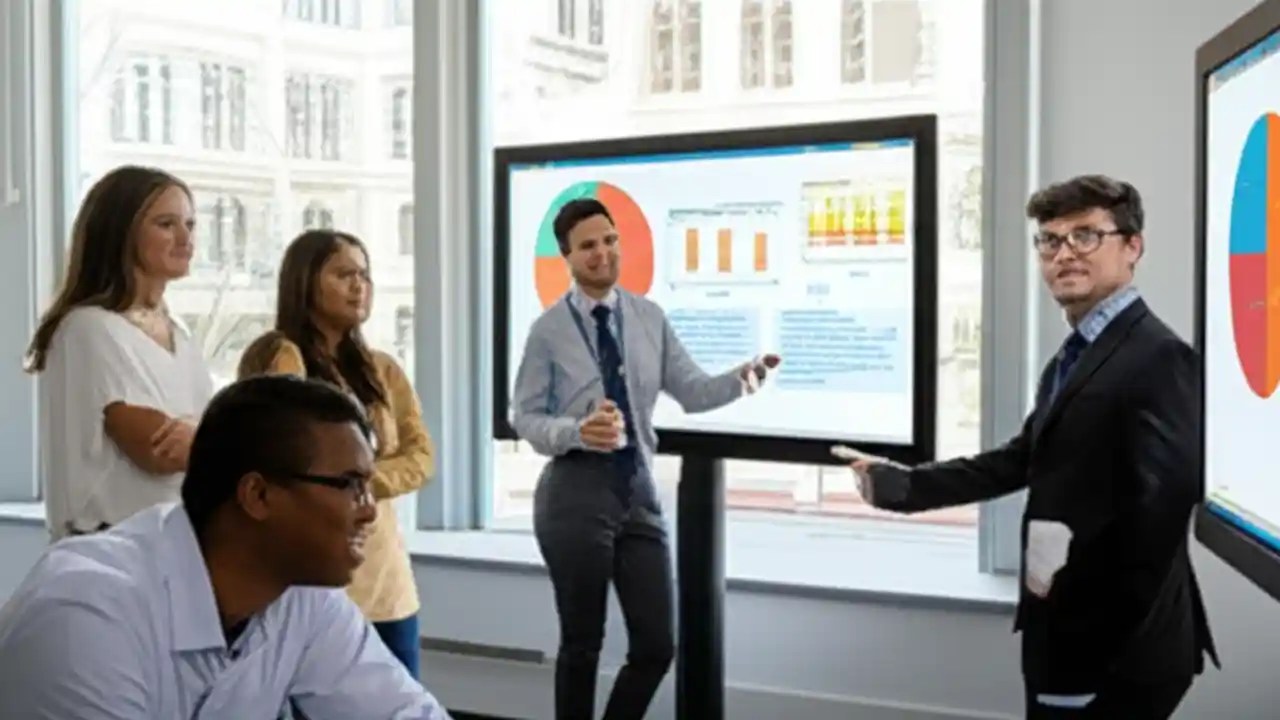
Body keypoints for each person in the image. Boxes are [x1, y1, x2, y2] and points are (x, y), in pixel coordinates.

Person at [845, 175, 1218, 718]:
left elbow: (1162, 516)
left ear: (1132, 246)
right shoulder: (1082, 351)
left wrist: (1090, 658)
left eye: (1086, 235)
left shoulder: (1157, 357)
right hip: (1074, 638)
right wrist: (904, 484)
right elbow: (1025, 458)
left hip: (1110, 653)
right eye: (1050, 240)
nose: (1064, 253)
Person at [0, 374, 451, 719]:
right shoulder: (87, 612)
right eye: (350, 485)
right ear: (257, 495)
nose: (370, 510)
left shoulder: (304, 599)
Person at [512, 198, 780, 720]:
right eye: (588, 245)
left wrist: (742, 378)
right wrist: (576, 431)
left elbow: (695, 391)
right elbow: (525, 418)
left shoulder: (648, 317)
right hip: (574, 492)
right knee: (582, 644)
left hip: (637, 489)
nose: (602, 253)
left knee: (658, 646)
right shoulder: (548, 330)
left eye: (609, 240)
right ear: (567, 256)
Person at [238, 229, 433, 678]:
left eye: (364, 275)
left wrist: (355, 482)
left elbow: (421, 457)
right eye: (344, 274)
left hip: (385, 578)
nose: (358, 285)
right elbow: (286, 458)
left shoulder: (382, 368)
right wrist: (356, 479)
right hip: (311, 573)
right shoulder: (280, 356)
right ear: (306, 282)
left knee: (400, 704)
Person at [24, 164, 214, 540]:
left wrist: (205, 437)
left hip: (174, 543)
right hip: (112, 548)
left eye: (190, 225)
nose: (185, 238)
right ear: (121, 233)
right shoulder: (89, 328)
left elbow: (202, 441)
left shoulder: (180, 335)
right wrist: (223, 440)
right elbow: (159, 451)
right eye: (166, 224)